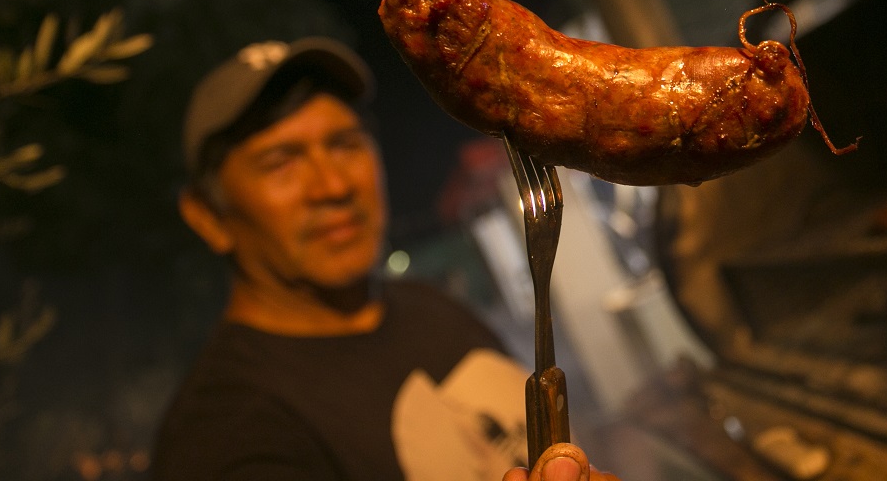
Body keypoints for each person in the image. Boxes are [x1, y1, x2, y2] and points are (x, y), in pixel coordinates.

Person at [151, 37, 619, 481]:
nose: (333, 186)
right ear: (207, 216)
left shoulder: (430, 308)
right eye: (281, 162)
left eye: (344, 144)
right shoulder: (224, 431)